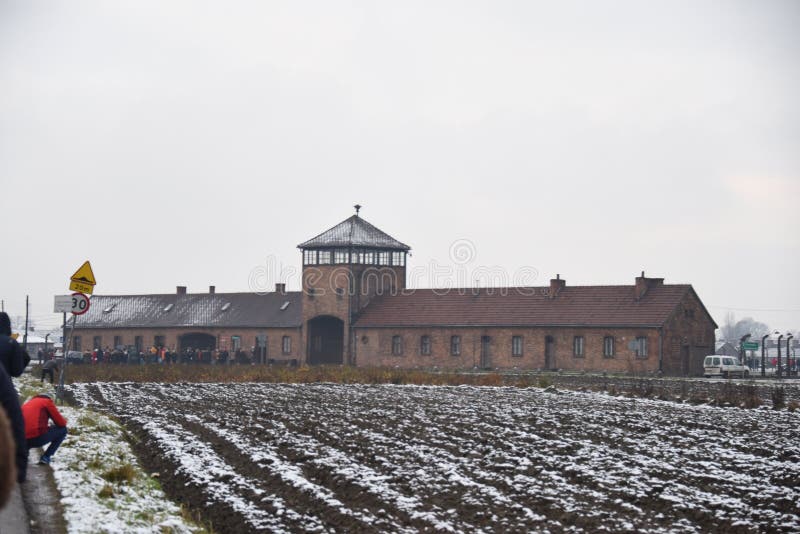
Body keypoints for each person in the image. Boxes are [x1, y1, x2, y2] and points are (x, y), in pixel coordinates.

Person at [0, 311, 29, 483]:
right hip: (3, 389)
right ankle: (14, 468)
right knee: (14, 424)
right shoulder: (11, 343)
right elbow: (17, 371)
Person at [22, 393, 68, 466]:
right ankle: (46, 457)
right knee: (63, 430)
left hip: (21, 440)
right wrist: (65, 421)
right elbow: (61, 423)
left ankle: (23, 453)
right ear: (50, 398)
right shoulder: (46, 402)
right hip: (36, 438)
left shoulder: (28, 403)